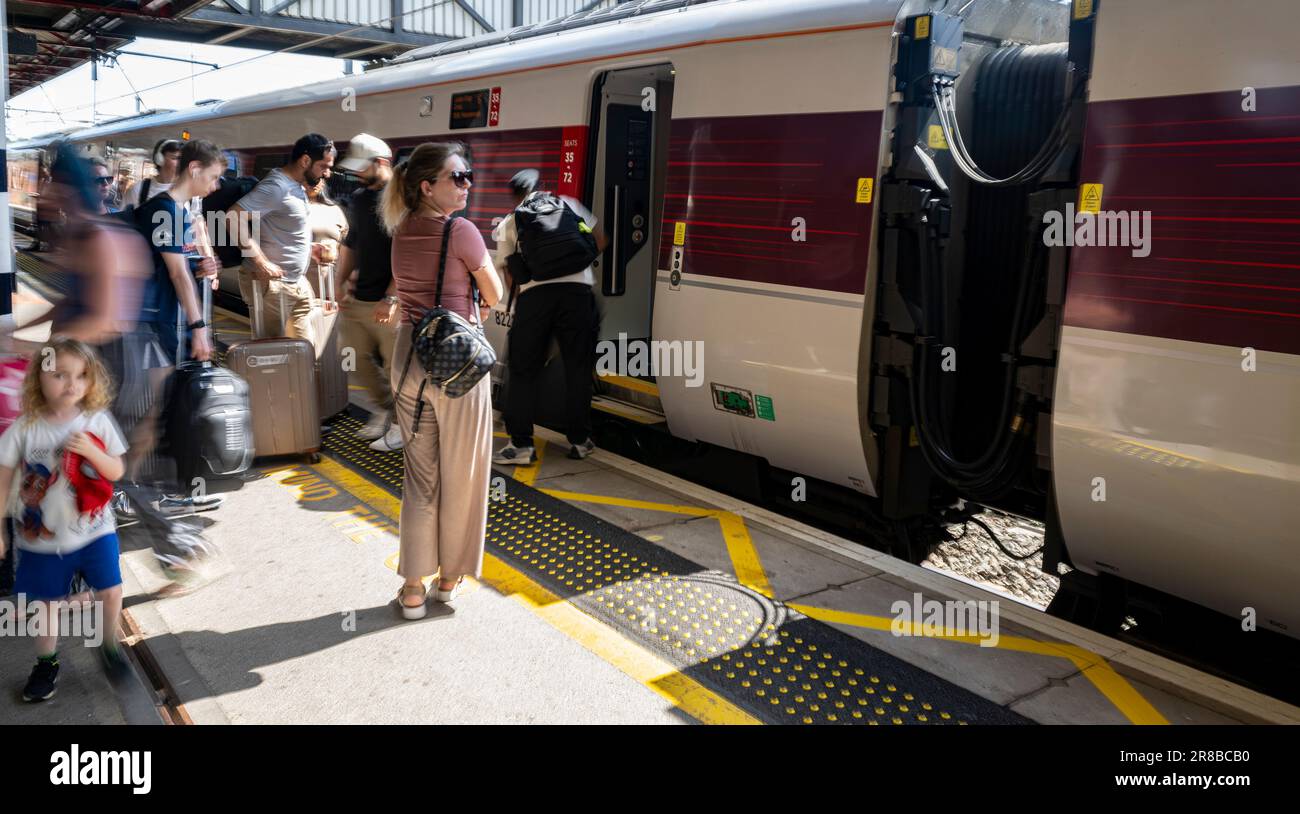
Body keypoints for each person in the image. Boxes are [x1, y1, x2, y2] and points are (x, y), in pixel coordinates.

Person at [382, 142, 502, 619]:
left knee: (421, 479)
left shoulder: (401, 228)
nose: (467, 184)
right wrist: (482, 299)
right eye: (458, 177)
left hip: (409, 358)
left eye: (468, 175)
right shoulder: (462, 230)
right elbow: (495, 291)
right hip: (457, 361)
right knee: (464, 476)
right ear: (428, 186)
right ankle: (448, 580)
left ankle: (413, 588)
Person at [0, 337, 129, 701]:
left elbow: (116, 469)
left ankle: (109, 646)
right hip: (41, 539)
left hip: (94, 531)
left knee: (111, 590)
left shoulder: (97, 421)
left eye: (81, 375)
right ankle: (47, 662)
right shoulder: (25, 428)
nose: (72, 384)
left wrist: (91, 451)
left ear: (92, 380)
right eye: (60, 375)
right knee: (46, 602)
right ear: (38, 379)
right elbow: (3, 478)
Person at [491, 169, 606, 465]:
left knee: (523, 369)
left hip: (535, 300)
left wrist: (518, 306)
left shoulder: (510, 221)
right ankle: (580, 441)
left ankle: (521, 446)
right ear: (542, 187)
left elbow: (509, 274)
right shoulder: (568, 203)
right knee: (578, 368)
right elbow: (600, 240)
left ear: (515, 195)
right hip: (579, 294)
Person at [230, 133, 336, 345]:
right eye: (323, 166)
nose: (328, 173)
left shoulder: (296, 186)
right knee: (272, 354)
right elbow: (233, 217)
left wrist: (309, 248)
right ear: (305, 161)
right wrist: (261, 261)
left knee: (306, 350)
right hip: (272, 285)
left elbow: (282, 226)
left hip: (296, 282)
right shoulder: (277, 187)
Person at [334, 133, 402, 452]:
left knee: (396, 367)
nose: (357, 173)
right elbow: (351, 244)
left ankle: (401, 424)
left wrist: (391, 296)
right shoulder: (360, 198)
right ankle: (384, 408)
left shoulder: (402, 198)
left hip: (392, 302)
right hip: (360, 297)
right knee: (353, 355)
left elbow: (408, 253)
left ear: (382, 163)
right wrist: (338, 282)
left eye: (363, 167)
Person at [305, 177, 347, 294]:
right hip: (307, 277)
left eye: (317, 180)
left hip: (334, 277)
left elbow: (345, 243)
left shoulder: (335, 209)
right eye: (309, 180)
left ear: (323, 183)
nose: (313, 184)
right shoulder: (296, 208)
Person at [122, 139, 182, 210]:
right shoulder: (138, 190)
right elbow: (120, 219)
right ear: (160, 160)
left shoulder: (184, 190)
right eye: (175, 158)